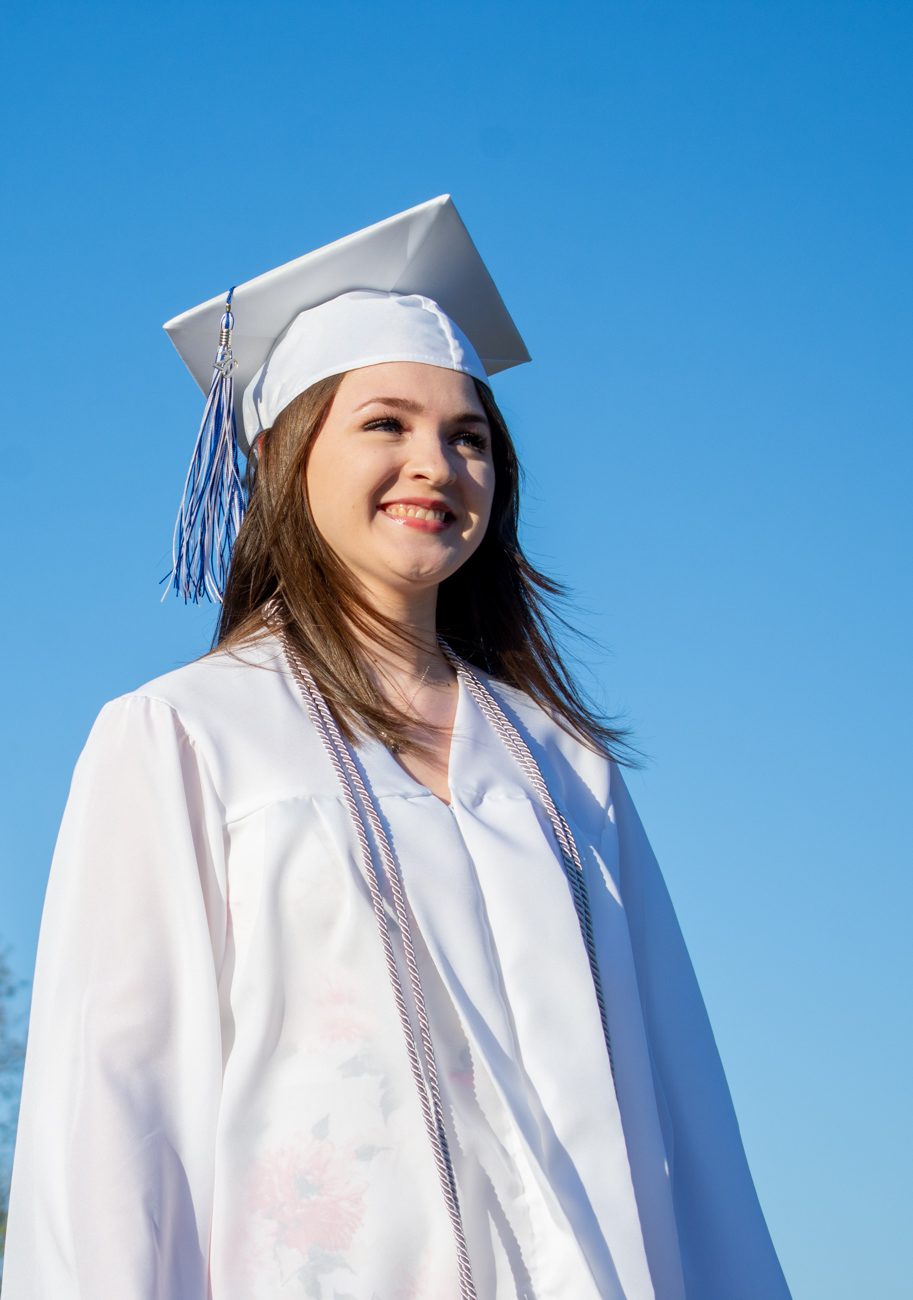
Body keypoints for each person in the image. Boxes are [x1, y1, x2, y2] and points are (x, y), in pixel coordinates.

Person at [1, 197, 792, 1300]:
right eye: (385, 423)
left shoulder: (565, 770)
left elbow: (687, 1126)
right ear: (282, 451)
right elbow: (116, 1124)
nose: (436, 464)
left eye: (467, 436)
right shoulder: (187, 736)